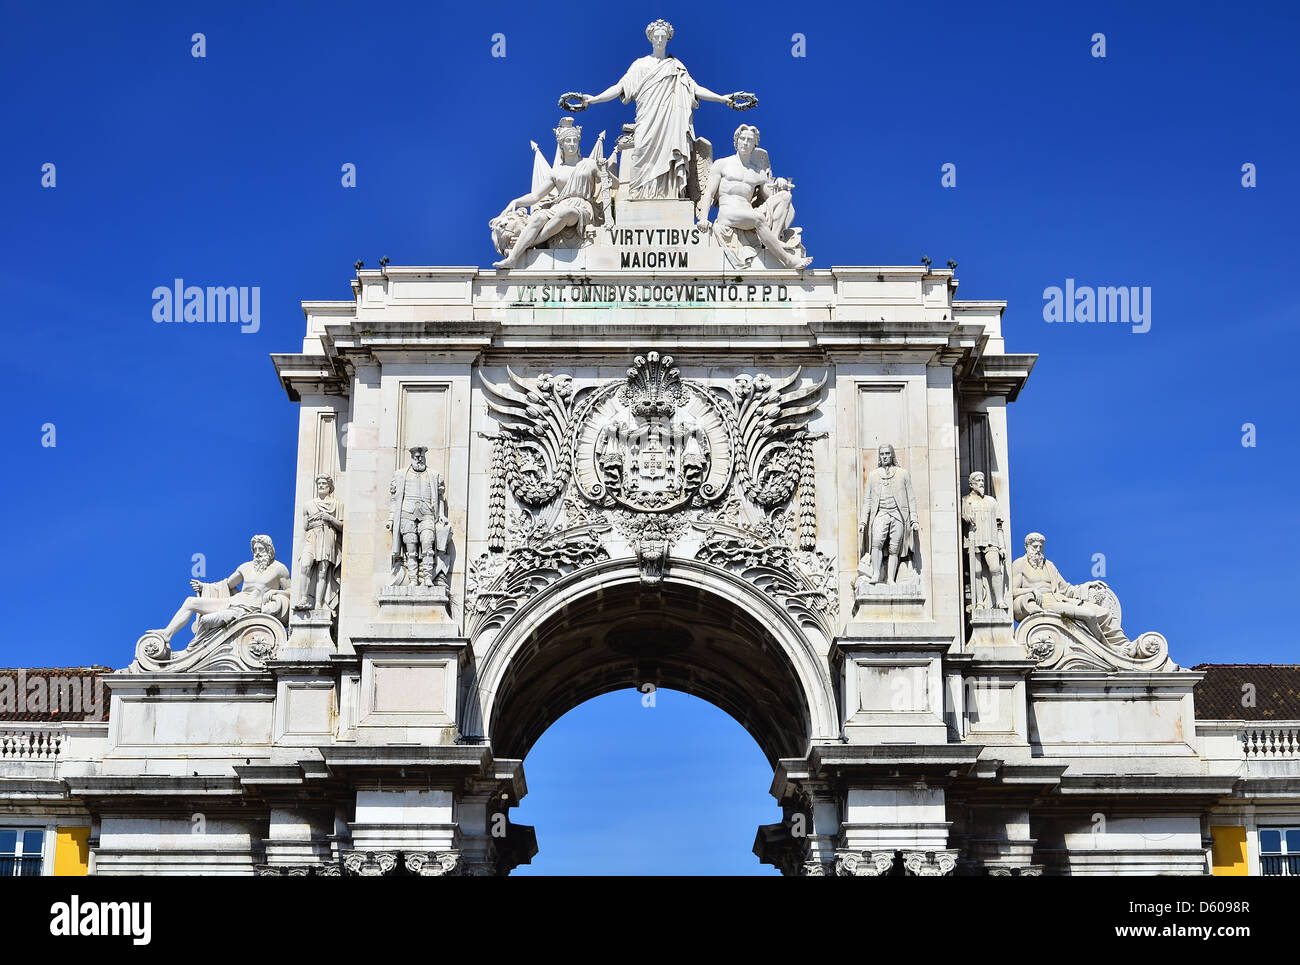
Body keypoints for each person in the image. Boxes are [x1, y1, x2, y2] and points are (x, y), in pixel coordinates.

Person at [562, 19, 752, 200]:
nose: (660, 40)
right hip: (647, 118)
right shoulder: (640, 65)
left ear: (667, 38)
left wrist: (722, 99)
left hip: (670, 120)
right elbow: (619, 87)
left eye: (663, 36)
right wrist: (593, 100)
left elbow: (695, 89)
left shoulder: (676, 66)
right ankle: (641, 196)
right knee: (642, 152)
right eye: (656, 36)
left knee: (670, 155)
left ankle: (669, 195)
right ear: (651, 38)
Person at [491, 119, 611, 269]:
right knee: (538, 217)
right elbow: (535, 196)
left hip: (581, 207)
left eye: (575, 140)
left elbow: (613, 183)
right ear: (561, 144)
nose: (572, 144)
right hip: (559, 206)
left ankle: (527, 243)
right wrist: (515, 202)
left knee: (566, 213)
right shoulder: (556, 172)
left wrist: (605, 170)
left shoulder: (589, 164)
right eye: (568, 141)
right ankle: (513, 258)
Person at [698, 124, 811, 270]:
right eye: (742, 139)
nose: (745, 143)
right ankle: (788, 260)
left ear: (754, 145)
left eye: (749, 140)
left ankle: (774, 239)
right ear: (736, 141)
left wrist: (779, 183)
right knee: (758, 219)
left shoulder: (758, 172)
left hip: (748, 213)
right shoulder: (722, 164)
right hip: (728, 214)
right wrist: (703, 218)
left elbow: (771, 198)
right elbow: (709, 193)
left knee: (785, 197)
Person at [150, 535, 291, 642]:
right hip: (234, 602)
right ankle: (166, 634)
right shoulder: (245, 567)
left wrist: (275, 592)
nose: (257, 553)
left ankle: (196, 650)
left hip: (250, 609)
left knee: (206, 621)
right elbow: (226, 584)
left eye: (261, 549)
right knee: (190, 601)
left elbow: (291, 592)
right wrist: (203, 586)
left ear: (269, 549)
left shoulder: (279, 569)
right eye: (255, 550)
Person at [1010, 532, 1112, 642]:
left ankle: (1123, 647)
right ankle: (1108, 649)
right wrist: (1032, 590)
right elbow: (1013, 591)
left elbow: (1066, 589)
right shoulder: (1019, 564)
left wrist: (1087, 586)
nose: (1038, 550)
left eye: (1041, 547)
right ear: (1027, 547)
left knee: (1104, 613)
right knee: (1090, 615)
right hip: (1043, 603)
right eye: (1035, 547)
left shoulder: (1049, 565)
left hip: (1060, 599)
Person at [387, 446, 450, 587]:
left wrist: (441, 514)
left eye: (421, 457)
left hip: (427, 514)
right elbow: (395, 498)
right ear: (412, 457)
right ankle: (413, 579)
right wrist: (391, 519)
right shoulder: (400, 474)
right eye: (416, 457)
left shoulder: (434, 475)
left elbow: (440, 497)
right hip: (406, 514)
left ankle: (427, 576)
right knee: (411, 548)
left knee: (428, 543)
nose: (419, 460)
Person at [860, 444, 920, 584]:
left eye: (887, 453)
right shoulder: (873, 475)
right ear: (879, 456)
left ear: (892, 455)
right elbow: (867, 500)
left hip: (898, 515)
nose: (885, 456)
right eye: (882, 454)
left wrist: (914, 520)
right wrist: (863, 521)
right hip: (881, 514)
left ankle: (891, 579)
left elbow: (911, 497)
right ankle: (875, 574)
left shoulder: (902, 473)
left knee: (895, 548)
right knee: (876, 542)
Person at [294, 473, 343, 611]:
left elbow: (342, 526)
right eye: (319, 484)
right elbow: (304, 526)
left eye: (324, 484)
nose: (321, 486)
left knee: (322, 571)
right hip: (312, 537)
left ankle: (318, 603)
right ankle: (303, 598)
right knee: (305, 565)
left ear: (330, 487)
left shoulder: (337, 505)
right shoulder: (308, 505)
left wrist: (329, 518)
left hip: (328, 536)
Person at [961, 471, 1007, 610]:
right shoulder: (965, 500)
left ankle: (999, 600)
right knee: (976, 571)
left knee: (995, 569)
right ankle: (979, 602)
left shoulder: (991, 501)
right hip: (973, 539)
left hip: (991, 539)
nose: (981, 483)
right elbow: (962, 516)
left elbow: (999, 525)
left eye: (982, 480)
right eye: (978, 480)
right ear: (971, 484)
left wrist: (1002, 546)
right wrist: (965, 516)